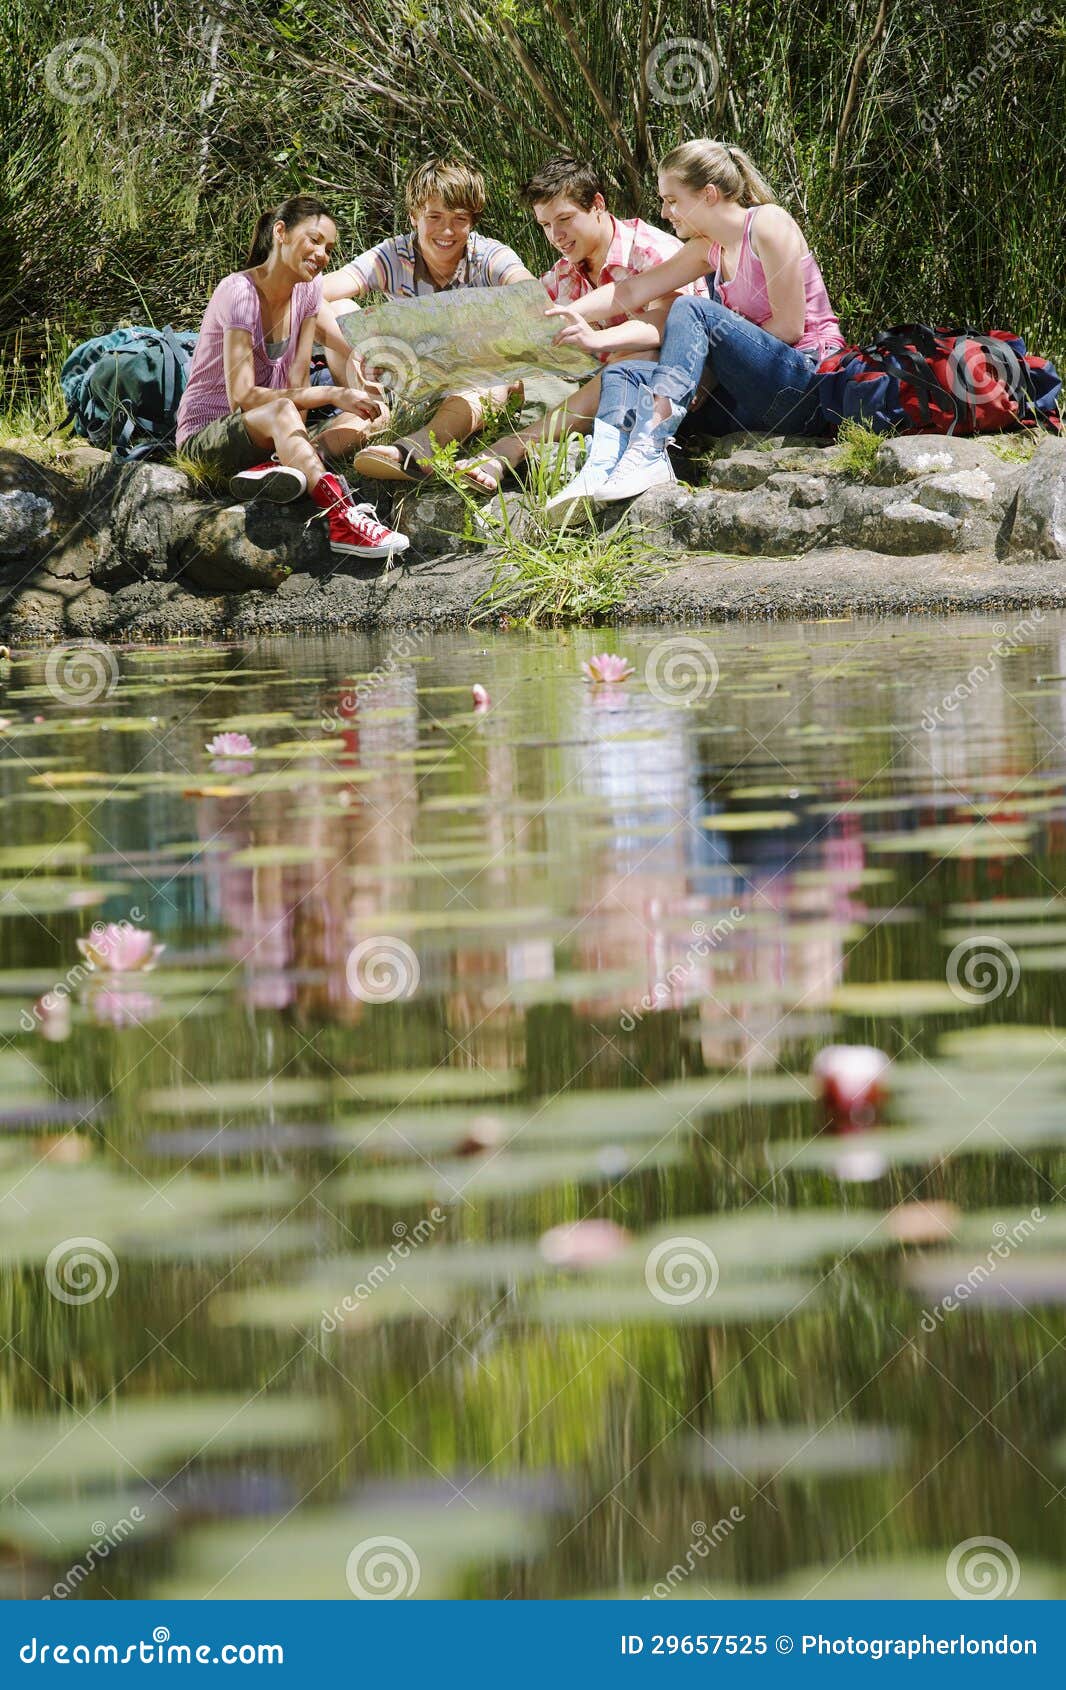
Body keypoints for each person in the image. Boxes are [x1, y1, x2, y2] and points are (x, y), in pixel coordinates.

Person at [547, 140, 845, 509]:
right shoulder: (710, 247)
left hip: (803, 387)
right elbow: (633, 289)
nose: (664, 211)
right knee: (624, 373)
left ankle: (652, 448)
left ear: (708, 195)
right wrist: (564, 317)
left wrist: (703, 370)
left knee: (691, 308)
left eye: (672, 200)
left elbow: (788, 329)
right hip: (749, 400)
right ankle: (599, 470)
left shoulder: (768, 223)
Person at [455, 153, 706, 495]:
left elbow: (668, 323)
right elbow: (526, 321)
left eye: (565, 219)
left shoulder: (650, 250)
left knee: (633, 356)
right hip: (594, 388)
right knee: (502, 367)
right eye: (545, 225)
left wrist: (595, 339)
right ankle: (427, 448)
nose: (556, 235)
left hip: (668, 391)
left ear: (598, 204)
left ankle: (510, 448)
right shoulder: (564, 271)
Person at [175, 194, 408, 560]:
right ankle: (343, 518)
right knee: (285, 410)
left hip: (272, 431)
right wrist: (332, 393)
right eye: (314, 240)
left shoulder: (308, 290)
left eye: (329, 247)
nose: (322, 254)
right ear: (280, 232)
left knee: (375, 413)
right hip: (210, 434)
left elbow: (298, 384)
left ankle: (283, 463)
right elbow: (243, 398)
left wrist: (366, 375)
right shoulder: (239, 292)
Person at [321, 159, 535, 483]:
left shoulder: (489, 256)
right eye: (434, 217)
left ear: (472, 222)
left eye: (459, 219)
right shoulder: (392, 255)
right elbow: (315, 294)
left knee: (499, 375)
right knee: (340, 309)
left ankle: (418, 450)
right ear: (414, 217)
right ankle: (299, 458)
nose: (446, 231)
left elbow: (526, 288)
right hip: (405, 382)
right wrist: (358, 348)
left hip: (471, 385)